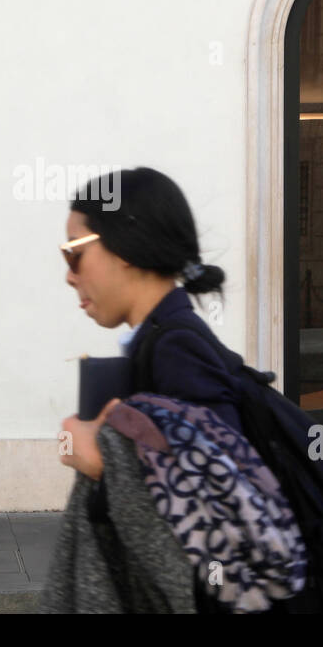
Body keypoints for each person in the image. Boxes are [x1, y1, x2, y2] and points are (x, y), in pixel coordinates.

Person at [57, 167, 239, 486]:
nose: (69, 276)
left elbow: (222, 488)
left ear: (124, 246)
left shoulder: (177, 347)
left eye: (74, 253)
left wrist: (99, 462)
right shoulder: (160, 338)